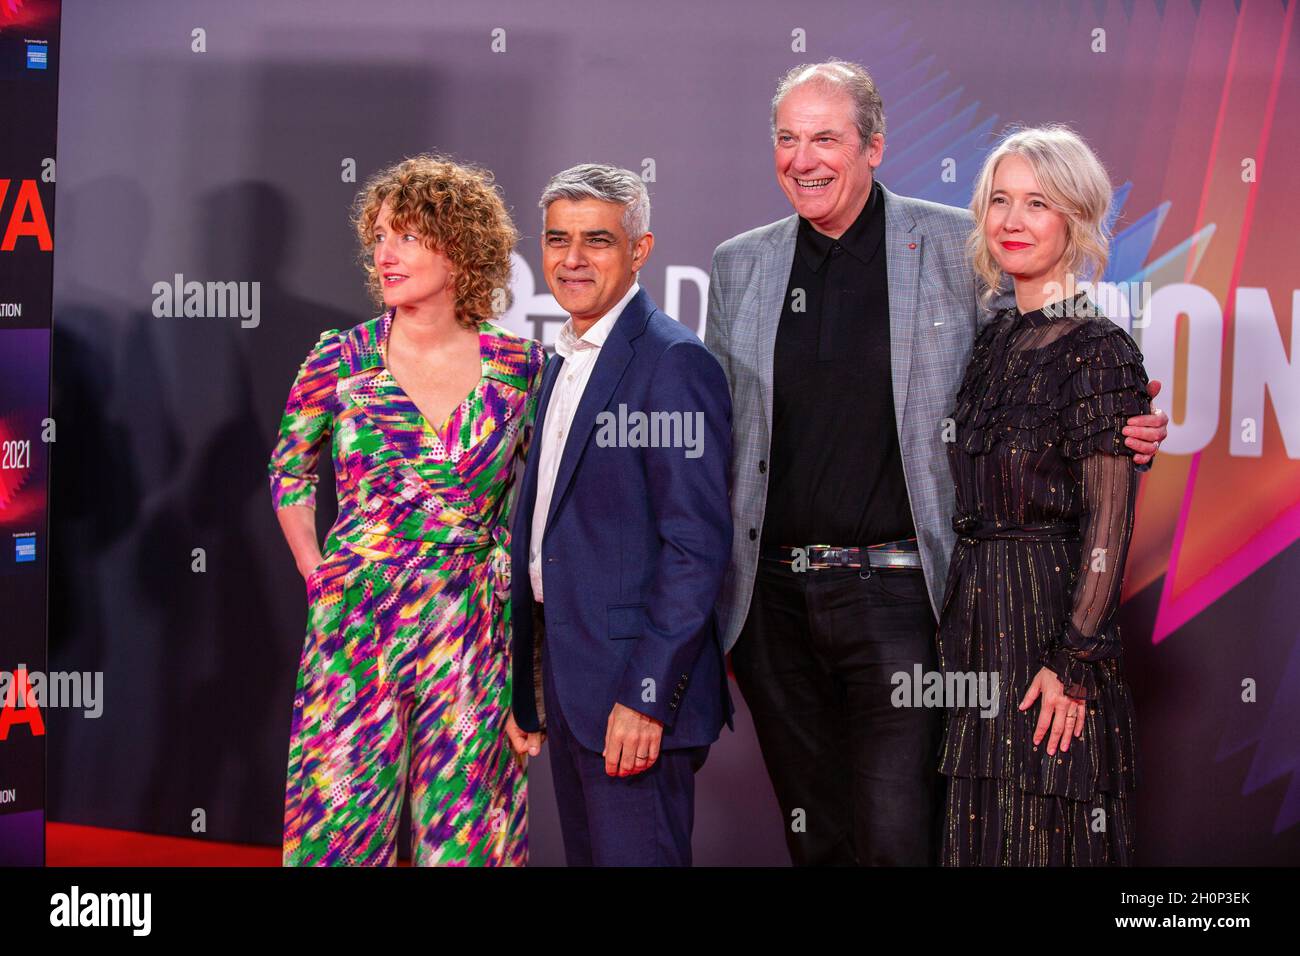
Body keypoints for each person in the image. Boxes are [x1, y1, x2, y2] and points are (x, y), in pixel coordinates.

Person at [704, 59, 1169, 865]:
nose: (803, 158)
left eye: (825, 138)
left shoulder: (960, 244)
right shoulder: (738, 264)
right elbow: (718, 432)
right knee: (816, 837)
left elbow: (1050, 352)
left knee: (900, 836)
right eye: (787, 138)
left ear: (874, 145)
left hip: (903, 599)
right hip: (771, 606)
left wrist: (1126, 425)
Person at [269, 154, 545, 866]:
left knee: (469, 837)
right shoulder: (340, 358)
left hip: (473, 626)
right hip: (357, 620)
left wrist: (530, 667)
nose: (386, 254)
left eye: (410, 237)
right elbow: (290, 470)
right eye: (381, 237)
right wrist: (316, 568)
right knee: (339, 829)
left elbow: (539, 510)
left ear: (462, 249)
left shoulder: (522, 368)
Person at [503, 164, 734, 866]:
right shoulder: (559, 363)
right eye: (557, 239)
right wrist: (530, 682)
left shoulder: (671, 363)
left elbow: (695, 547)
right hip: (574, 694)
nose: (571, 260)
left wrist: (645, 695)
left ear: (640, 249)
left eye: (597, 241)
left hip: (632, 699)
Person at [938, 126, 1146, 866]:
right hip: (973, 627)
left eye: (1038, 203)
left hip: (1048, 629)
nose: (1012, 221)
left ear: (1077, 220)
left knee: (1045, 836)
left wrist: (1074, 659)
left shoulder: (1100, 349)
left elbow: (1108, 523)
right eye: (999, 200)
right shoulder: (992, 340)